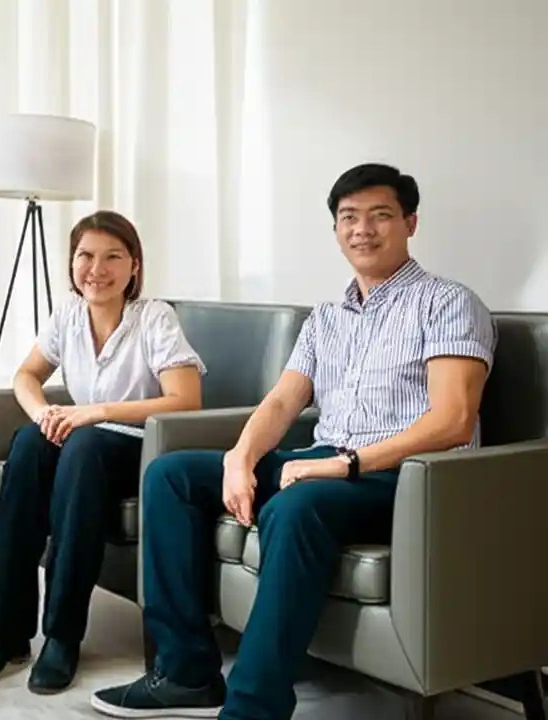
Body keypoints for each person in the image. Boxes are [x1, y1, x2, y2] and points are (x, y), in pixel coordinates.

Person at [90, 163, 497, 719]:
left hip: (409, 479)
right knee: (172, 474)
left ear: (410, 222)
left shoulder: (448, 302)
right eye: (348, 218)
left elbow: (452, 419)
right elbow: (282, 402)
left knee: (298, 504)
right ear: (335, 230)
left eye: (380, 216)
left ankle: (253, 707)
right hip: (327, 461)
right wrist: (240, 457)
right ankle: (185, 672)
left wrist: (344, 465)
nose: (363, 230)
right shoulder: (326, 318)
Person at [0, 210, 205, 694]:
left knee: (84, 444)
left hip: (139, 450)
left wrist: (96, 412)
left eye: (113, 256)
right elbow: (26, 376)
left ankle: (63, 635)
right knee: (31, 443)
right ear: (71, 263)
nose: (97, 268)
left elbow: (186, 400)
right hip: (82, 446)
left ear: (134, 265)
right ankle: (5, 631)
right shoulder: (67, 315)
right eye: (86, 256)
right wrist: (43, 415)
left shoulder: (153, 317)